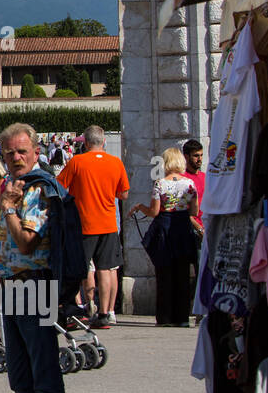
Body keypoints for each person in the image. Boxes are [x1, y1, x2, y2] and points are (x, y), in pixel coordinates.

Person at [0, 122, 68, 393]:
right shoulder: (14, 187)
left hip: (34, 286)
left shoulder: (37, 189)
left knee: (44, 375)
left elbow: (26, 243)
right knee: (21, 375)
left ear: (36, 151)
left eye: (22, 151)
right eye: (9, 153)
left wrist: (7, 209)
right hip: (13, 286)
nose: (16, 158)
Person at [56, 125, 129, 328]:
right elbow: (124, 194)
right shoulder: (116, 163)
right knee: (105, 269)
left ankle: (83, 307)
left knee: (80, 268)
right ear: (103, 141)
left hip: (83, 223)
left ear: (86, 143)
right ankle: (105, 312)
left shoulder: (77, 161)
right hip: (108, 223)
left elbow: (60, 186)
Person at [130, 147, 200, 327]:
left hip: (165, 228)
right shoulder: (190, 184)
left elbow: (154, 211)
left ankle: (165, 317)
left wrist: (139, 207)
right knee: (182, 274)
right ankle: (182, 317)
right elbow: (194, 211)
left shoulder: (160, 184)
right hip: (183, 227)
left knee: (164, 274)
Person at [182, 139, 206, 230]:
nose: (199, 159)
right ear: (186, 156)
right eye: (196, 156)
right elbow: (182, 210)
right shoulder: (182, 179)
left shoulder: (205, 177)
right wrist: (199, 228)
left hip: (207, 226)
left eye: (201, 155)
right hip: (190, 229)